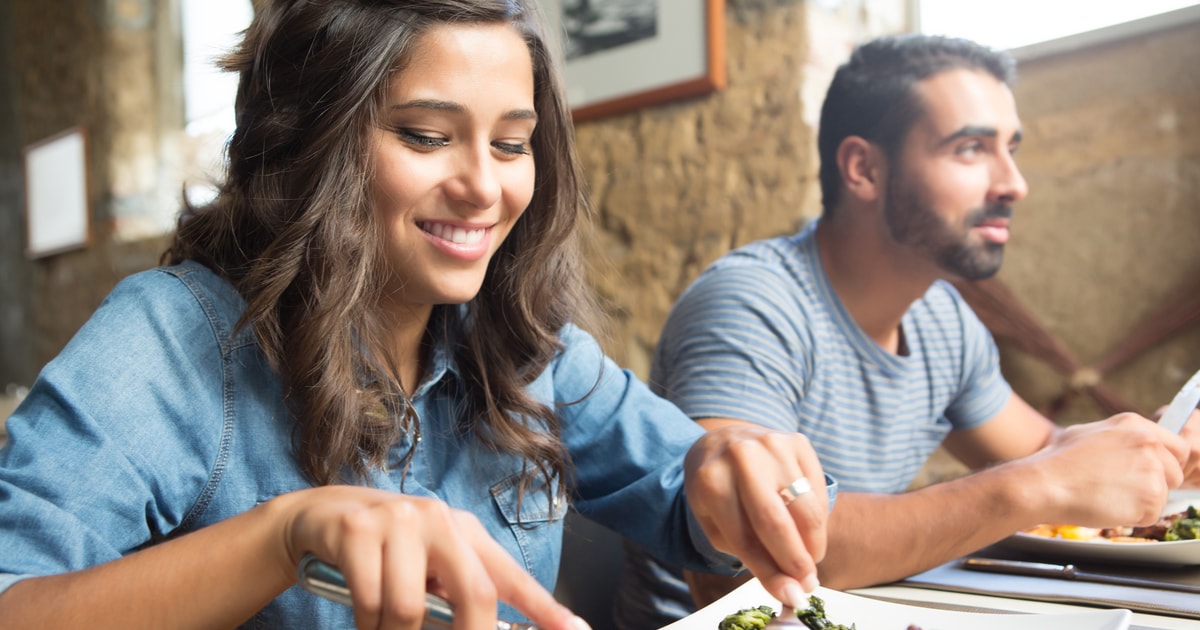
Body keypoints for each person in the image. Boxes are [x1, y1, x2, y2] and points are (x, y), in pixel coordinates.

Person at [0, 1, 835, 627]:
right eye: (427, 135)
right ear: (312, 139)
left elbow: (691, 505)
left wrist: (727, 472)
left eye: (512, 145)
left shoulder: (523, 346)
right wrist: (284, 535)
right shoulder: (169, 338)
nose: (484, 186)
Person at [614, 32, 1200, 629]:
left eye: (1011, 149)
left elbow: (1052, 457)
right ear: (864, 168)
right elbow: (746, 555)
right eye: (971, 149)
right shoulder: (751, 304)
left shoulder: (942, 319)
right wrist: (1035, 485)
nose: (1013, 183)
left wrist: (1163, 445)